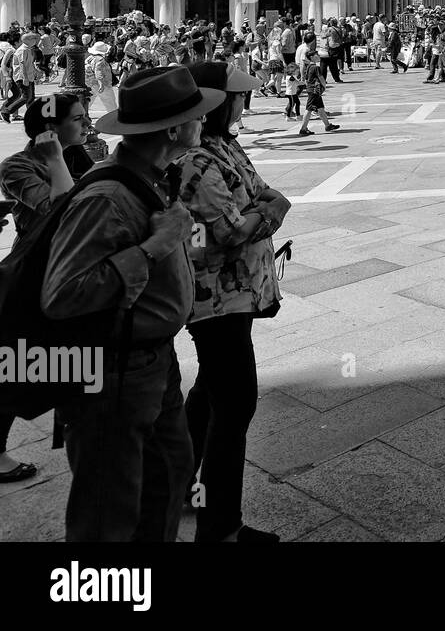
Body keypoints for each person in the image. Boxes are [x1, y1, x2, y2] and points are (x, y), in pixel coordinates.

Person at [43, 66, 226, 541]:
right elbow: (63, 295)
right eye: (196, 117)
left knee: (166, 476)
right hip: (113, 376)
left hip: (152, 364)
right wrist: (153, 248)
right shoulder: (106, 196)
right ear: (172, 130)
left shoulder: (151, 175)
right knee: (109, 506)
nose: (204, 122)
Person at [178, 62, 291, 542]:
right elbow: (231, 230)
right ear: (218, 101)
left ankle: (180, 479)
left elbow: (261, 194)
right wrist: (268, 211)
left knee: (210, 389)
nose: (245, 102)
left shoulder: (226, 146)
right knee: (236, 403)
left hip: (238, 293)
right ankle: (220, 527)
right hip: (215, 300)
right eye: (238, 96)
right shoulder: (198, 162)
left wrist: (262, 208)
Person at [0, 93, 96, 484]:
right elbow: (65, 213)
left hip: (75, 272)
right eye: (78, 118)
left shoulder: (78, 154)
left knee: (72, 363)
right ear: (52, 129)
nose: (87, 123)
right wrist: (56, 160)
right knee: (17, 366)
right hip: (33, 276)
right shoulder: (17, 166)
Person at [298, 47, 341, 136]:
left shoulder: (309, 66)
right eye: (316, 55)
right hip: (314, 90)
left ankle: (327, 125)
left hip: (312, 90)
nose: (318, 56)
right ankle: (303, 128)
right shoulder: (315, 67)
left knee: (320, 108)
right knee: (309, 109)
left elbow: (306, 79)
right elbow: (321, 78)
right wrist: (324, 86)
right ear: (312, 57)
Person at [1, 32, 40, 123]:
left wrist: (35, 72)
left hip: (25, 76)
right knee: (21, 96)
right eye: (33, 39)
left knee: (27, 96)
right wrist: (7, 76)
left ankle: (27, 115)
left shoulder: (28, 49)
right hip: (17, 76)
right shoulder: (15, 50)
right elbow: (4, 64)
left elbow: (29, 64)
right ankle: (6, 111)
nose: (35, 41)